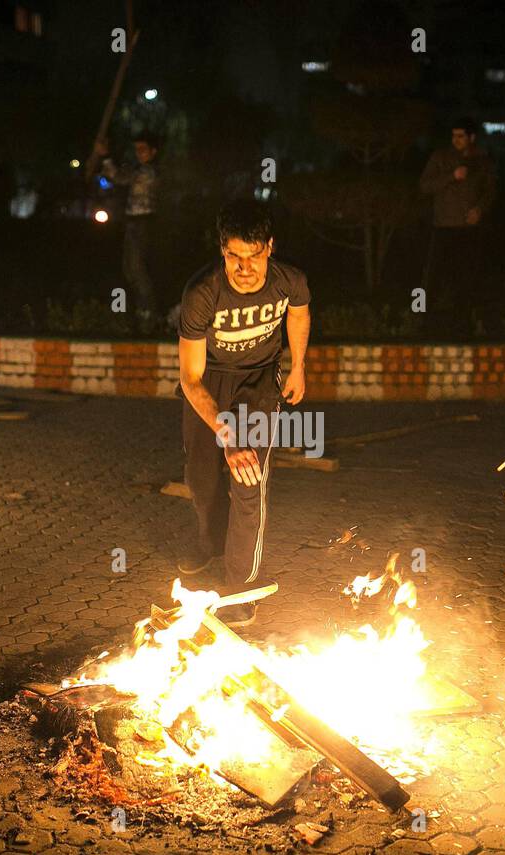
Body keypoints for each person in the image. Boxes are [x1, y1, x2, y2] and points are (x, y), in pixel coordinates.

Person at [176, 199, 310, 628]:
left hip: (257, 386)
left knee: (247, 480)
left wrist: (299, 365)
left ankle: (242, 588)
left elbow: (299, 315)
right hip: (210, 381)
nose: (245, 267)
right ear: (223, 250)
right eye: (235, 255)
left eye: (254, 256)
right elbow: (190, 379)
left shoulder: (290, 280)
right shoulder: (201, 295)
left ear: (269, 247)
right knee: (201, 477)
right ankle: (209, 542)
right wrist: (226, 436)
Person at [418, 117, 496, 333]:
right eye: (454, 135)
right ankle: (424, 320)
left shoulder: (482, 161)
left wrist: (480, 209)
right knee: (433, 275)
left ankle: (463, 321)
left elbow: (490, 191)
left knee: (466, 275)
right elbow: (425, 185)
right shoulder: (441, 157)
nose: (457, 140)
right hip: (443, 226)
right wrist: (451, 176)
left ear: (471, 137)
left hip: (468, 229)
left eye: (461, 136)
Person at [92, 131, 161, 327]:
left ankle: (148, 312)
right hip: (132, 223)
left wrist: (105, 156)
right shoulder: (139, 169)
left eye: (143, 149)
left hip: (142, 223)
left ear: (153, 152)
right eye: (137, 149)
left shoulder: (148, 172)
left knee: (137, 268)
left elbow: (119, 177)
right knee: (129, 269)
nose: (139, 153)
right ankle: (134, 310)